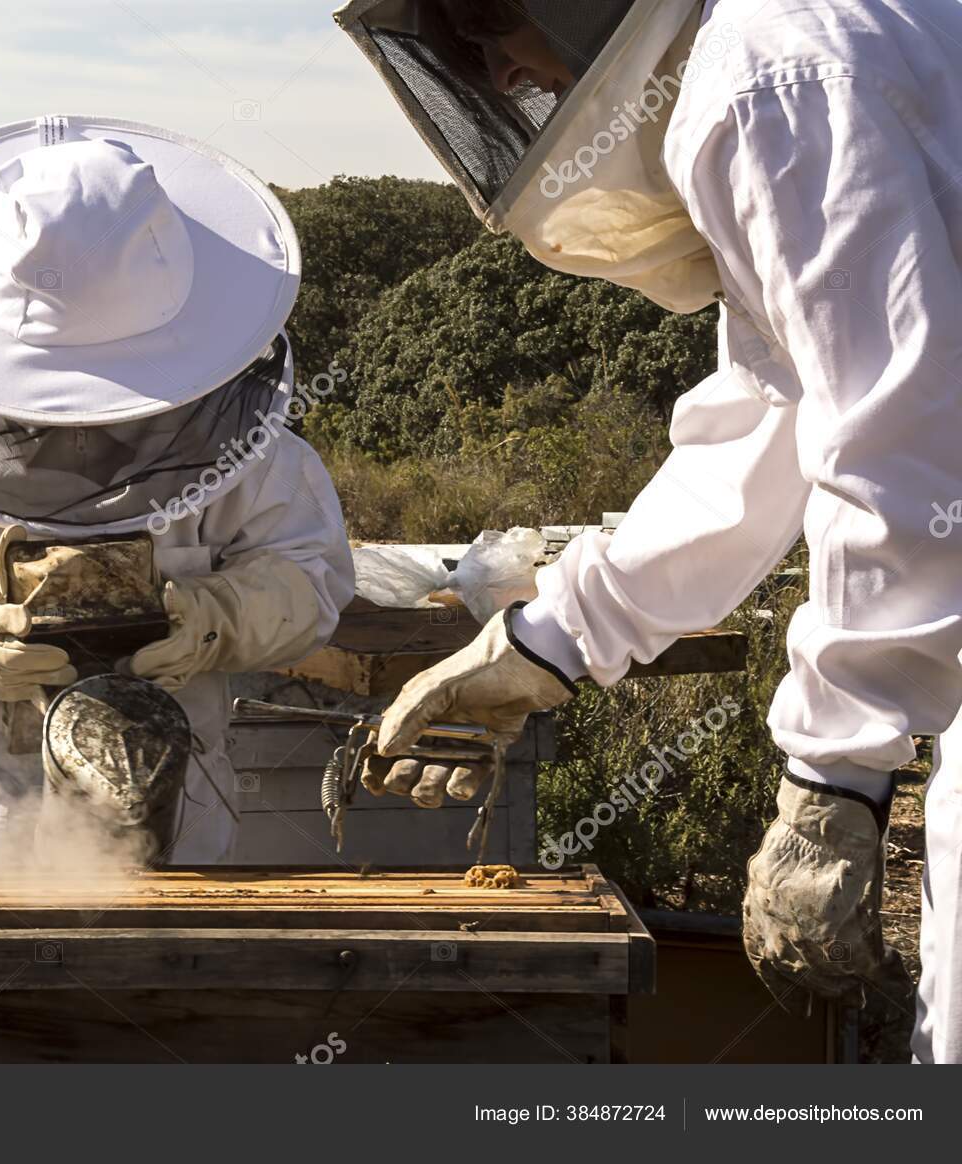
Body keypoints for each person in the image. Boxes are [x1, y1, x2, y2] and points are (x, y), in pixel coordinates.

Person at [337, 0, 962, 1062]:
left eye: (491, 20)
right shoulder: (773, 48)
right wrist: (549, 638)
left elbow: (901, 440)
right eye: (463, 50)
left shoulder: (766, 76)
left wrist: (832, 773)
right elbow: (770, 413)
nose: (499, 75)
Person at [0, 115, 356, 1061]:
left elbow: (310, 573)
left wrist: (218, 620)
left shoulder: (251, 451)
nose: (90, 429)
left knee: (172, 1042)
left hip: (174, 778)